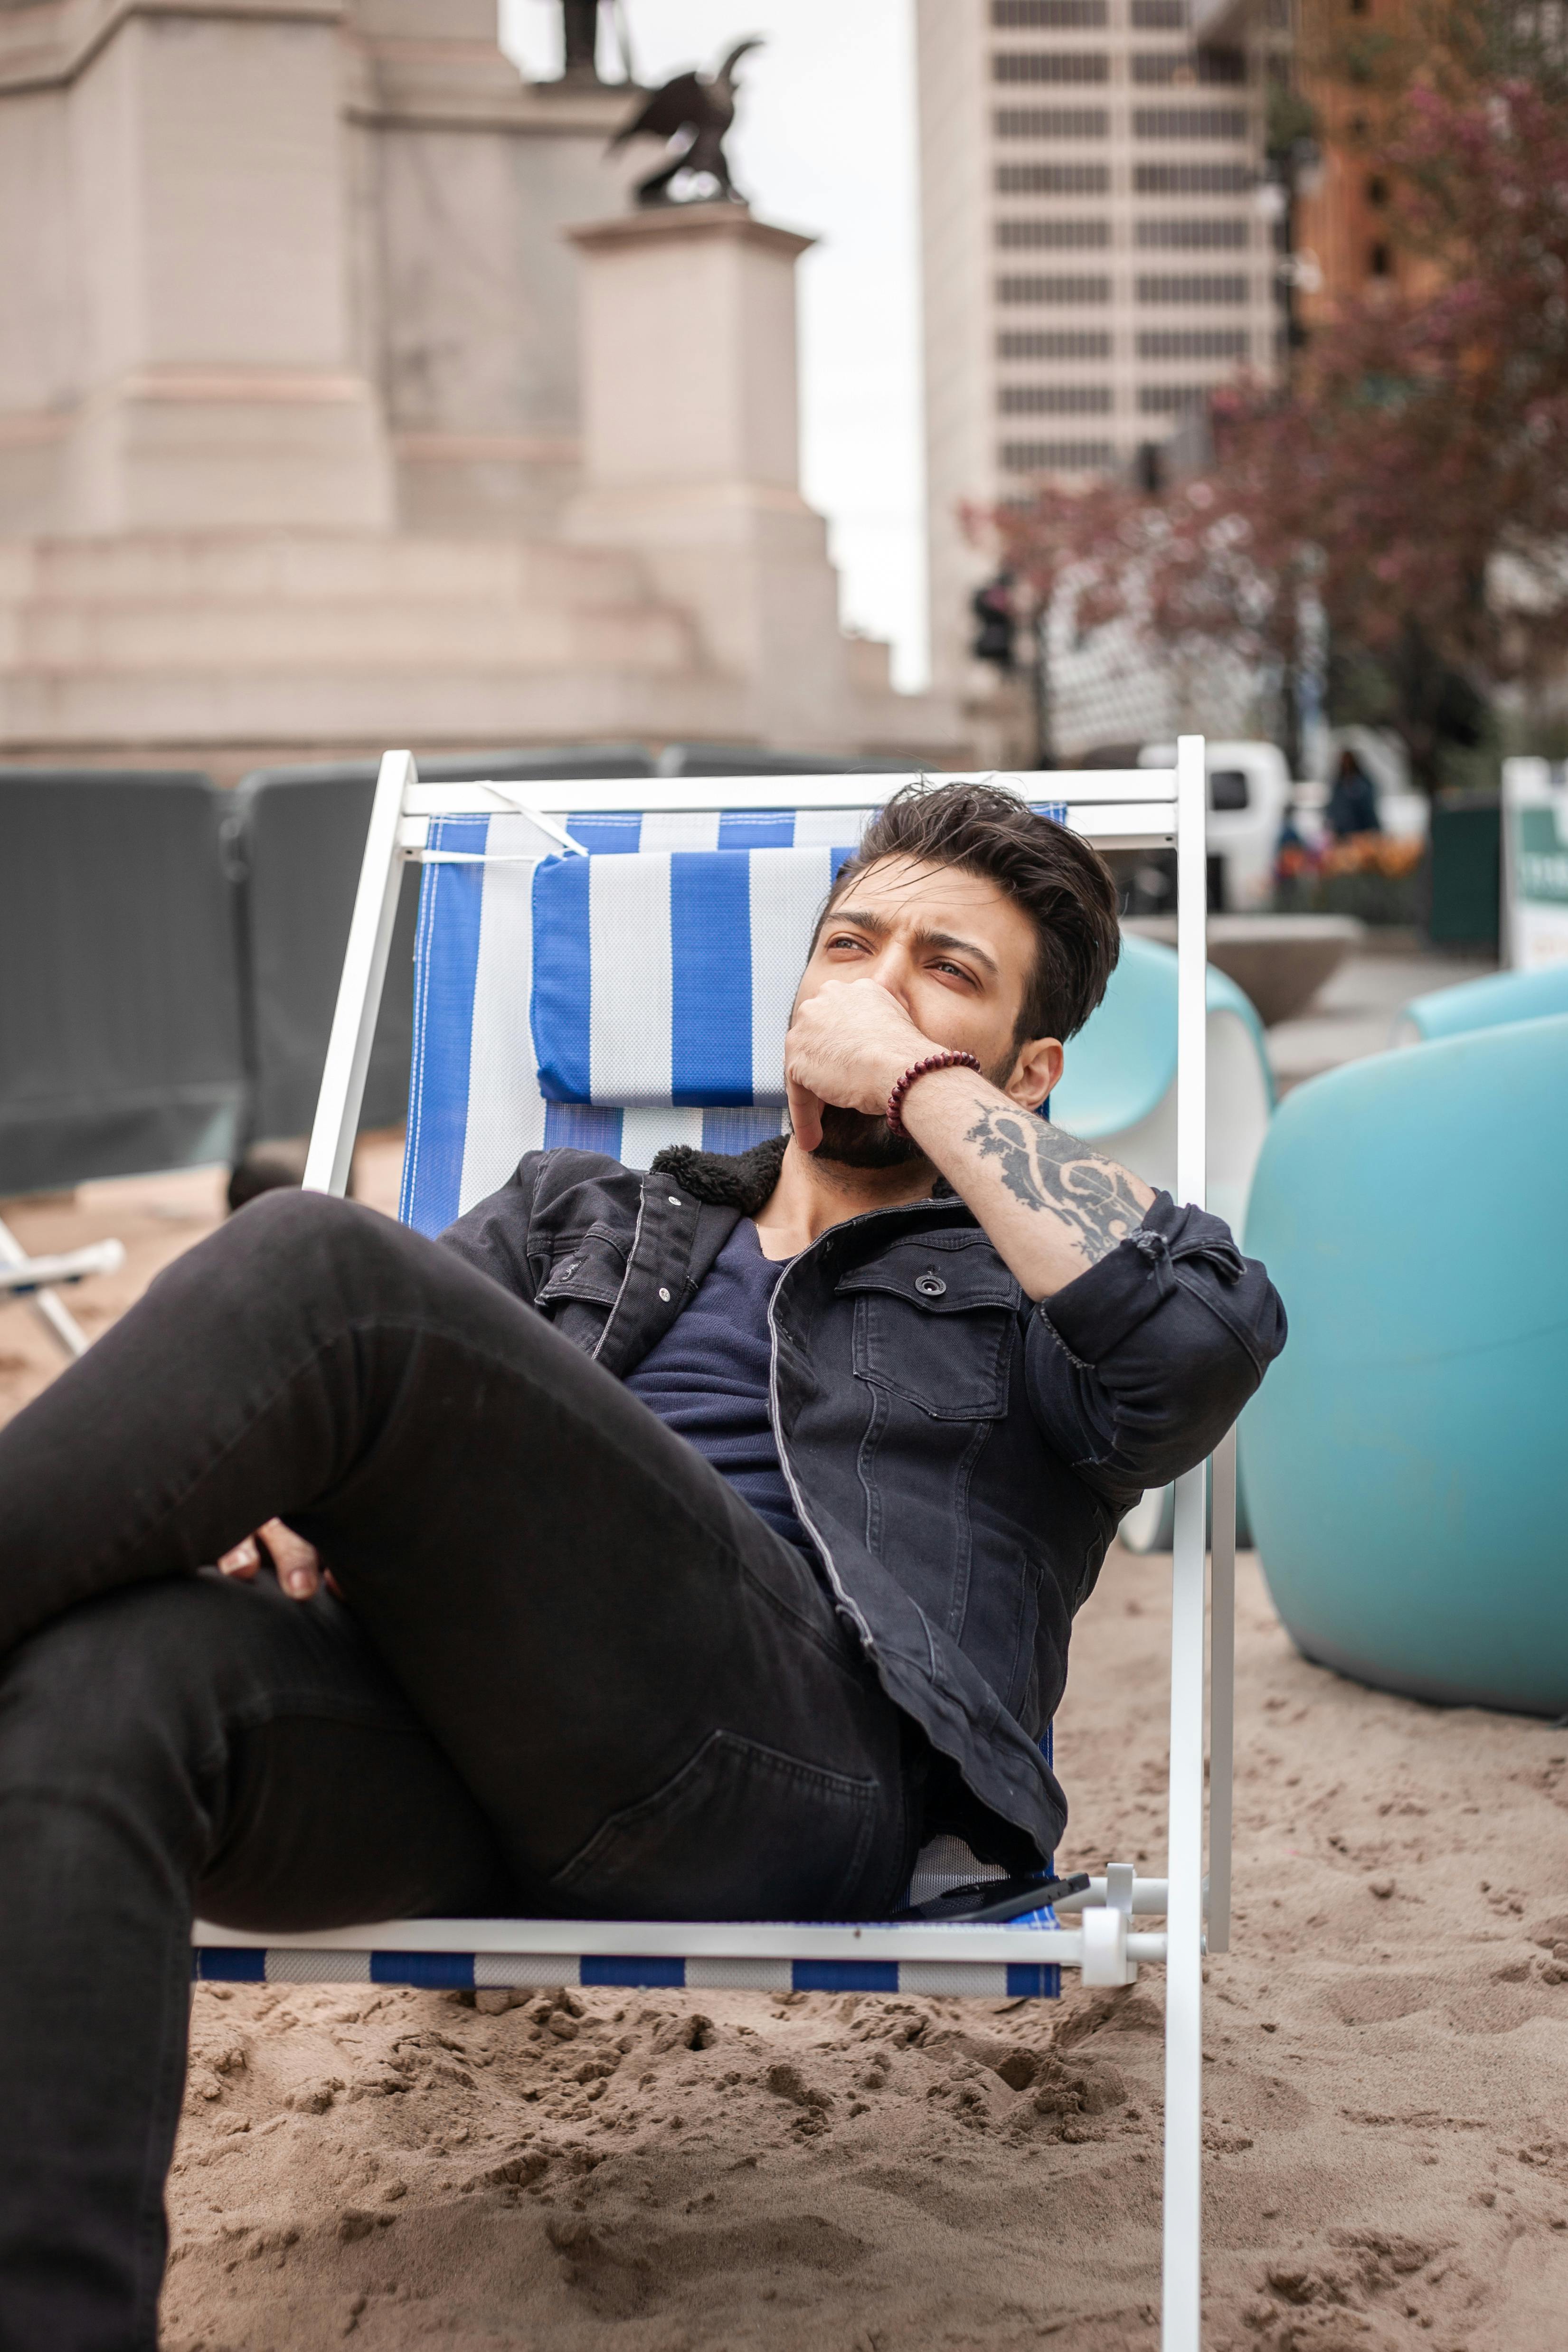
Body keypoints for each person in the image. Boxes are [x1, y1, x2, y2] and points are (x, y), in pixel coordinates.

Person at [0, 782, 1285, 2347]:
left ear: (1023, 1073)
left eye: (945, 971)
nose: (876, 989)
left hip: (787, 1772)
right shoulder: (577, 1210)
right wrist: (274, 1488)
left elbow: (1201, 1346)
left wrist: (919, 1080)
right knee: (102, 1681)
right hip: (451, 1771)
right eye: (848, 949)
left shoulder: (1041, 1290)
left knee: (312, 1251)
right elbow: (336, 1381)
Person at [1325, 746, 1382, 839]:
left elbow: (1368, 808)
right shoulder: (1339, 785)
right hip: (1344, 832)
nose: (1346, 764)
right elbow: (1334, 808)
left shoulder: (1362, 784)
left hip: (1362, 830)